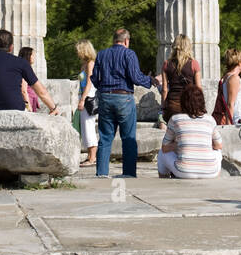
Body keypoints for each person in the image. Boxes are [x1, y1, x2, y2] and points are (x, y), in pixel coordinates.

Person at [90, 28, 153, 178]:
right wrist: (150, 81)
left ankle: (102, 173)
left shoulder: (102, 54)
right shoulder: (129, 54)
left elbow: (94, 78)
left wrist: (104, 89)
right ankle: (129, 173)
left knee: (105, 137)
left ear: (114, 40)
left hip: (105, 97)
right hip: (124, 97)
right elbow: (135, 77)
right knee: (128, 137)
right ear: (126, 41)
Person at [0, 31, 60, 114]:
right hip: (15, 111)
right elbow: (41, 91)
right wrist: (53, 108)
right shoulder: (21, 63)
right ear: (11, 47)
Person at [158, 84, 222, 179]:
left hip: (183, 171)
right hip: (211, 171)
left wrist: (180, 144)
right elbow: (218, 145)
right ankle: (214, 179)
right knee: (218, 152)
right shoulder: (210, 120)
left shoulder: (176, 119)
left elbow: (165, 148)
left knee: (161, 154)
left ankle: (164, 179)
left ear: (183, 102)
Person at [160, 33, 202, 123]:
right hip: (189, 106)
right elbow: (198, 88)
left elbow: (164, 90)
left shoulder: (166, 64)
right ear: (188, 47)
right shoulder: (194, 63)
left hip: (172, 106)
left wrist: (163, 109)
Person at [75, 40, 99, 167]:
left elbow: (89, 82)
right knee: (84, 127)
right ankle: (90, 155)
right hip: (83, 95)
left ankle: (93, 157)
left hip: (88, 97)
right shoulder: (84, 64)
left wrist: (83, 99)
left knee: (89, 127)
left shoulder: (91, 63)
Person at [216, 48, 241, 125]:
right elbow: (230, 104)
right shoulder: (234, 78)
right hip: (239, 122)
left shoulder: (227, 77)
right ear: (240, 62)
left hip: (240, 121)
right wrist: (229, 126)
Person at [18, 47, 41, 111]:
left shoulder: (27, 68)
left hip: (31, 99)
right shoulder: (24, 69)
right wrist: (28, 107)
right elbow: (24, 90)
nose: (34, 57)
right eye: (33, 55)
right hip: (28, 101)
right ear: (28, 56)